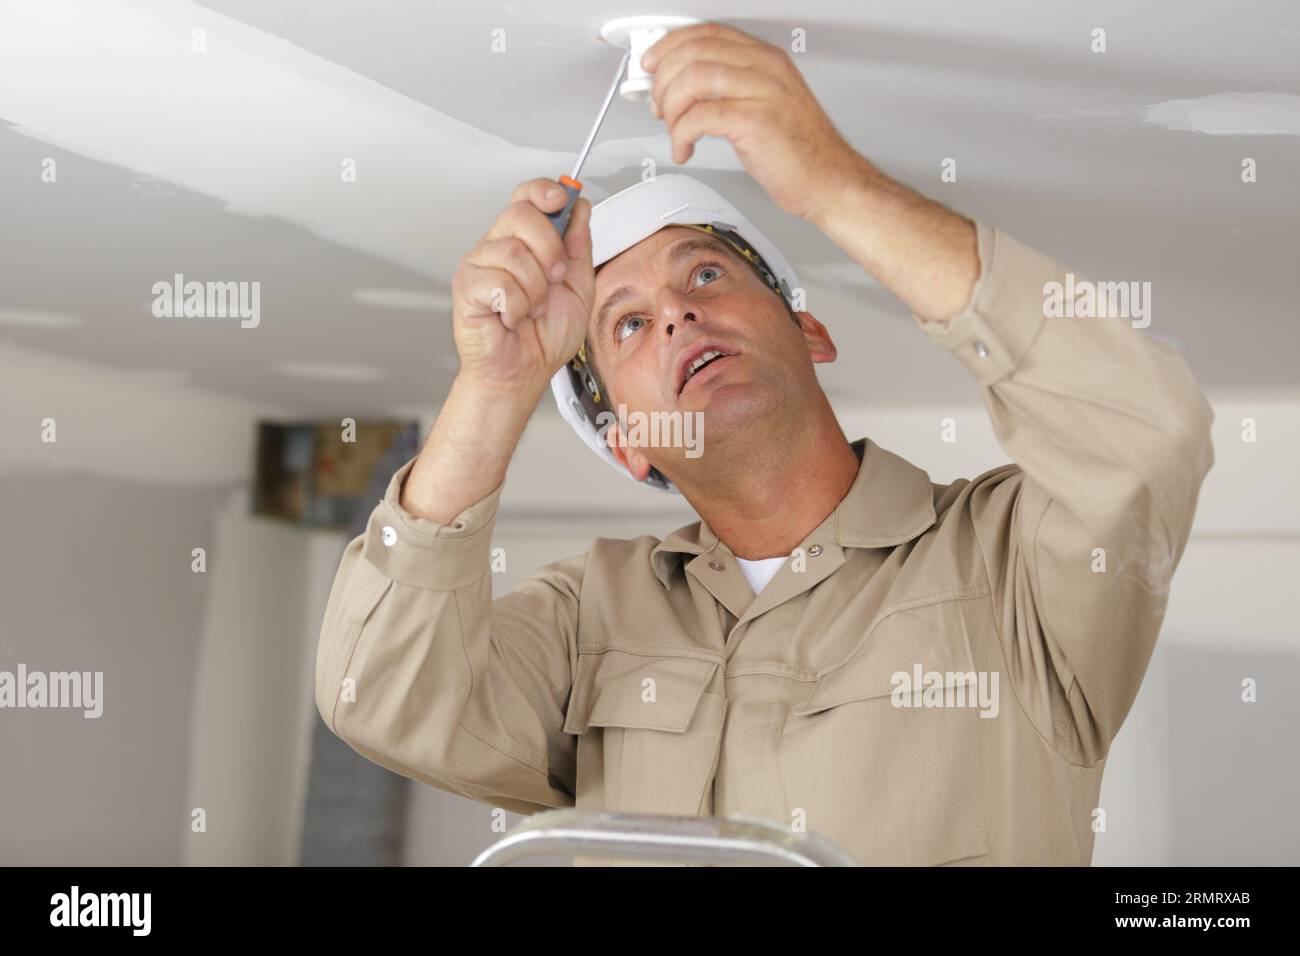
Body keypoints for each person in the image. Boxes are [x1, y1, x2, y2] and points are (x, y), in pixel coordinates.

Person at [315, 23, 1214, 865]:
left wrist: (830, 183)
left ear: (811, 333)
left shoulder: (1011, 567)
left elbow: (1144, 432)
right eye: (626, 325)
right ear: (628, 444)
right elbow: (383, 697)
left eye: (706, 274)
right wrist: (494, 386)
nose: (677, 314)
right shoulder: (589, 616)